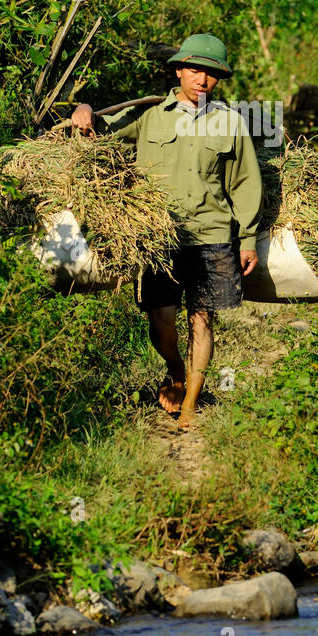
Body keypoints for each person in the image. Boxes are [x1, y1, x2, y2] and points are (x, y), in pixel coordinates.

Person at [71, 33, 262, 430]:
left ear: (219, 79)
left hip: (212, 234)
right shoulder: (151, 113)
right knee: (161, 318)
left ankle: (190, 404)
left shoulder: (229, 121)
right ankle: (175, 368)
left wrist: (246, 240)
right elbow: (97, 132)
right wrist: (85, 109)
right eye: (195, 69)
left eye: (211, 73)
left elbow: (245, 182)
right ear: (179, 70)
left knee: (202, 318)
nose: (202, 79)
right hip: (160, 235)